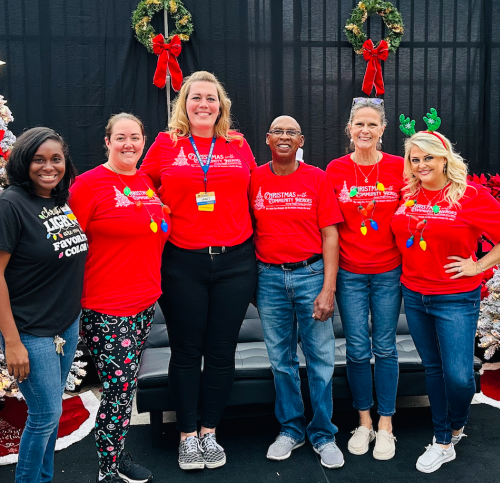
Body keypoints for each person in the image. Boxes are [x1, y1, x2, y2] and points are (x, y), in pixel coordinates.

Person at [140, 71, 258, 471]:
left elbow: (256, 191)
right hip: (182, 262)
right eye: (196, 97)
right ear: (184, 104)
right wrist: (155, 210)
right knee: (187, 351)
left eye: (211, 98)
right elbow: (140, 185)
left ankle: (210, 431)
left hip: (236, 262)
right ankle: (187, 435)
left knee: (222, 352)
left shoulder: (237, 144)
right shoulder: (166, 143)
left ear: (221, 105)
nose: (204, 104)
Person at [390, 130, 500, 474]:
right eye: (415, 159)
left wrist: (478, 265)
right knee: (434, 370)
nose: (421, 165)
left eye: (428, 157)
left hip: (455, 298)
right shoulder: (408, 193)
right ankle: (441, 440)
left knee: (460, 377)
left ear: (444, 158)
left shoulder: (470, 196)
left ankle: (457, 423)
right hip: (415, 295)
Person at [0, 127, 88, 483]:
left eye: (56, 159)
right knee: (44, 415)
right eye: (38, 159)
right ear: (23, 162)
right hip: (29, 330)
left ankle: (43, 478)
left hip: (65, 324)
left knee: (51, 415)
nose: (48, 167)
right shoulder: (8, 206)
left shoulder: (58, 200)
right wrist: (12, 342)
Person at [68, 113, 168, 483]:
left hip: (144, 302)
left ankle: (117, 456)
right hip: (106, 306)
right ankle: (108, 469)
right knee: (119, 387)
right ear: (107, 142)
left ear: (144, 142)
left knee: (124, 386)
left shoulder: (145, 182)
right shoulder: (88, 185)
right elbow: (68, 247)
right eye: (121, 137)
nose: (129, 144)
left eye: (135, 137)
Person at [251, 116, 346, 469]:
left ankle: (323, 434)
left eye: (291, 132)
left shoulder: (317, 178)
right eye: (278, 131)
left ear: (301, 140)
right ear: (267, 138)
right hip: (269, 278)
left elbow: (331, 235)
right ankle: (291, 429)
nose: (284, 136)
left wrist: (328, 288)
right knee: (281, 361)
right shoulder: (254, 178)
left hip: (311, 275)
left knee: (321, 361)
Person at [325, 98, 405, 460]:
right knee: (357, 349)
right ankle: (364, 422)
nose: (365, 130)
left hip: (389, 270)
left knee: (385, 347)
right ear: (349, 129)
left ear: (383, 130)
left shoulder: (399, 167)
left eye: (372, 124)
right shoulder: (336, 169)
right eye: (359, 124)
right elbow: (329, 225)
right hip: (351, 272)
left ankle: (386, 425)